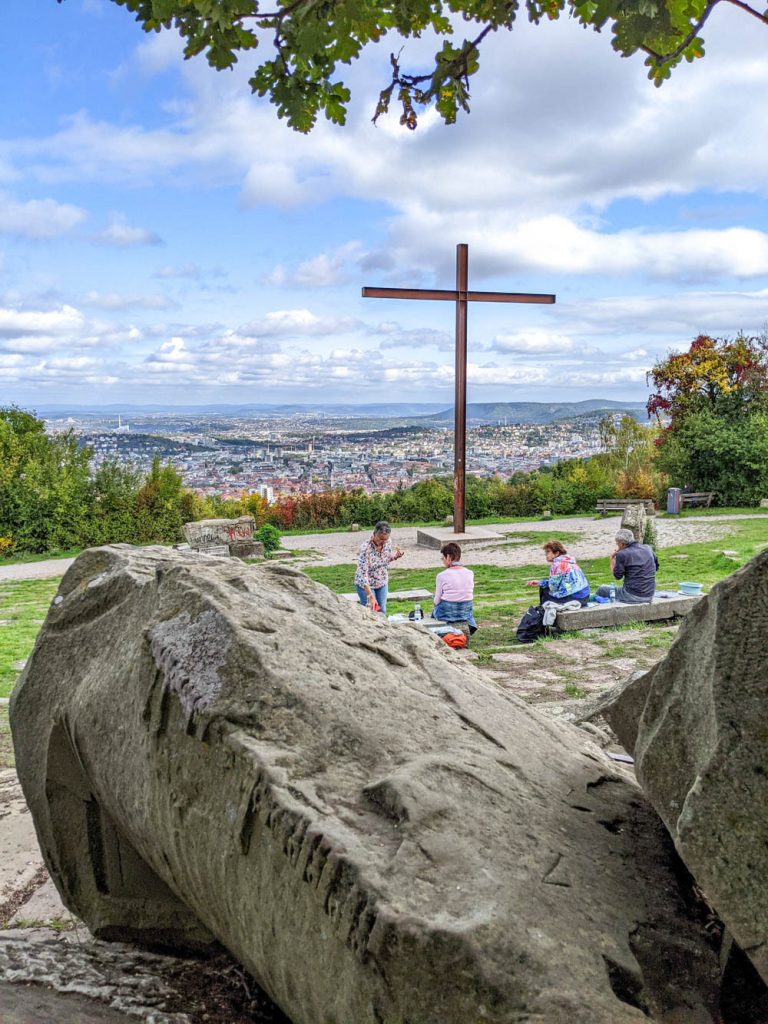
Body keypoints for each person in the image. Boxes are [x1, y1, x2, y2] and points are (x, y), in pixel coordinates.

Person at [354, 521, 403, 614]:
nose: (383, 542)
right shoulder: (365, 548)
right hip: (366, 584)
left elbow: (384, 560)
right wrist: (370, 596)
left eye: (385, 539)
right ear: (374, 534)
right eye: (380, 539)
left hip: (381, 581)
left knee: (382, 610)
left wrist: (395, 557)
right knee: (371, 611)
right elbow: (363, 574)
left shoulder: (388, 542)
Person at [526, 540, 590, 606]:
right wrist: (540, 582)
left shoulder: (556, 564)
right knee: (546, 587)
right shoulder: (570, 561)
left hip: (573, 599)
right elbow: (566, 584)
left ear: (556, 553)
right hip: (584, 598)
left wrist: (542, 584)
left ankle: (544, 611)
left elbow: (553, 587)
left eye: (548, 552)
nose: (546, 555)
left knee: (544, 589)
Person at [432, 542, 477, 633]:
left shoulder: (442, 575)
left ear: (448, 557)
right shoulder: (470, 573)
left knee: (435, 609)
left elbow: (437, 600)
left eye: (443, 558)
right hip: (465, 612)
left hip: (446, 613)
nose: (443, 561)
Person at [608, 527, 658, 604]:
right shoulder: (648, 548)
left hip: (632, 595)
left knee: (602, 590)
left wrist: (612, 560)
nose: (617, 545)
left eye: (617, 543)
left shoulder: (622, 554)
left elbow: (617, 576)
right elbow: (656, 567)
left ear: (621, 544)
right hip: (650, 594)